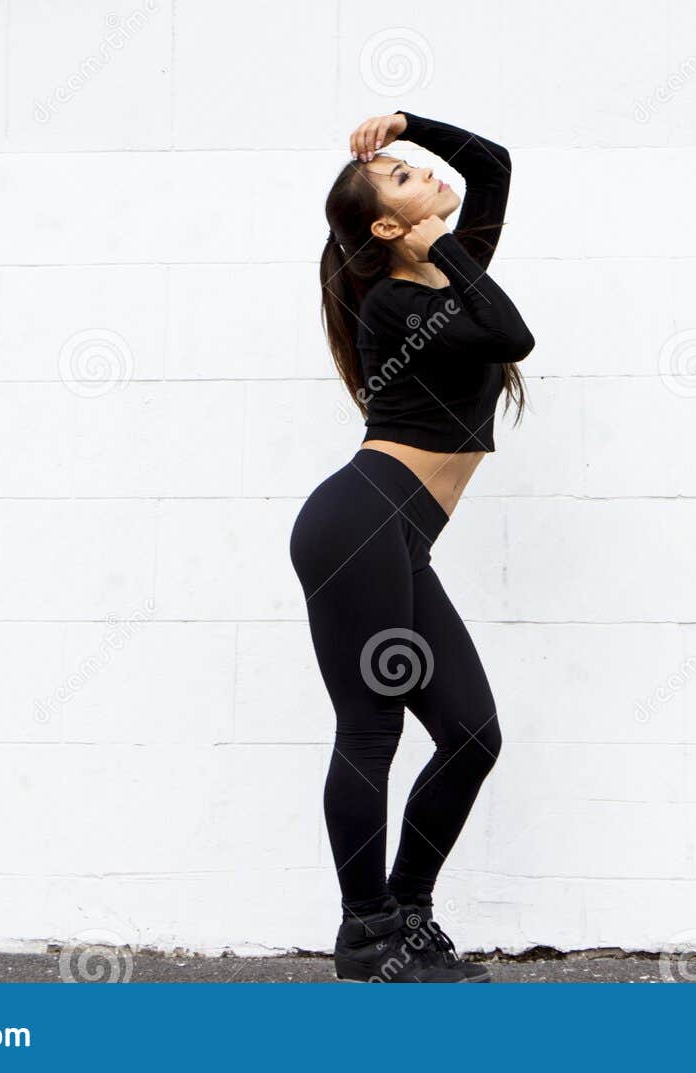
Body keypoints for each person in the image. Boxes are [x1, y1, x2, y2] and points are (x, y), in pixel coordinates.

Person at [289, 109, 534, 982]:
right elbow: (514, 336)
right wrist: (452, 250)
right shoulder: (400, 304)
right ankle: (366, 931)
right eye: (402, 177)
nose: (426, 173)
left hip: (398, 536)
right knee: (372, 728)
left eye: (416, 166)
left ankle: (411, 914)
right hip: (357, 525)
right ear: (387, 229)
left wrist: (408, 124)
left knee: (470, 733)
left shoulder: (448, 287)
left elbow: (494, 165)